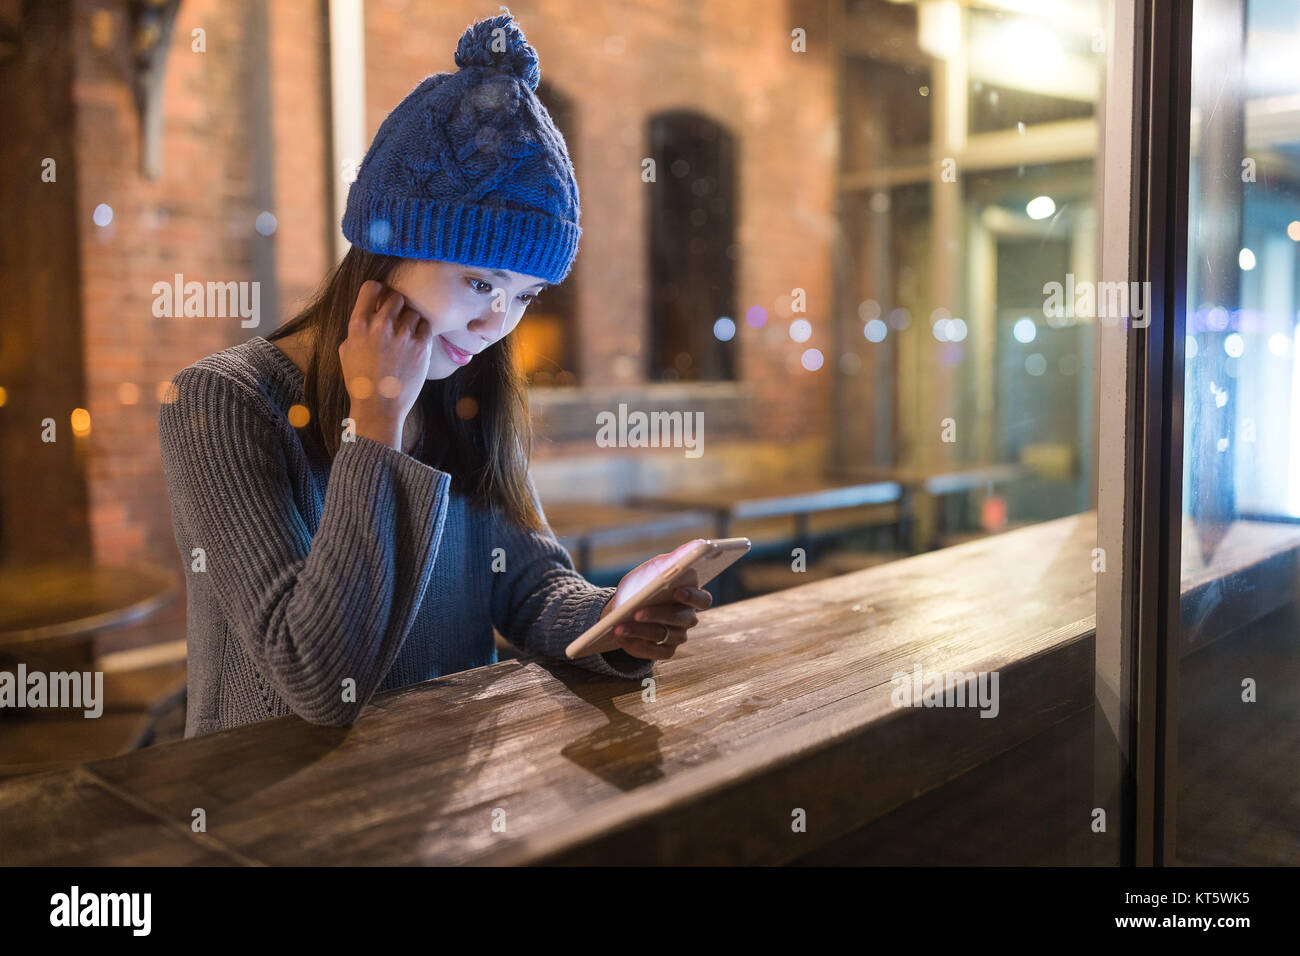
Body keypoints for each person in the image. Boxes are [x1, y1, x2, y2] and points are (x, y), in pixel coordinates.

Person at [158, 13, 711, 738]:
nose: (497, 326)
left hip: (435, 788)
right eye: (481, 282)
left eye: (525, 295)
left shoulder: (466, 395)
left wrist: (610, 622)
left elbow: (529, 583)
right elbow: (317, 680)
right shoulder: (223, 402)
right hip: (272, 812)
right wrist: (376, 424)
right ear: (388, 250)